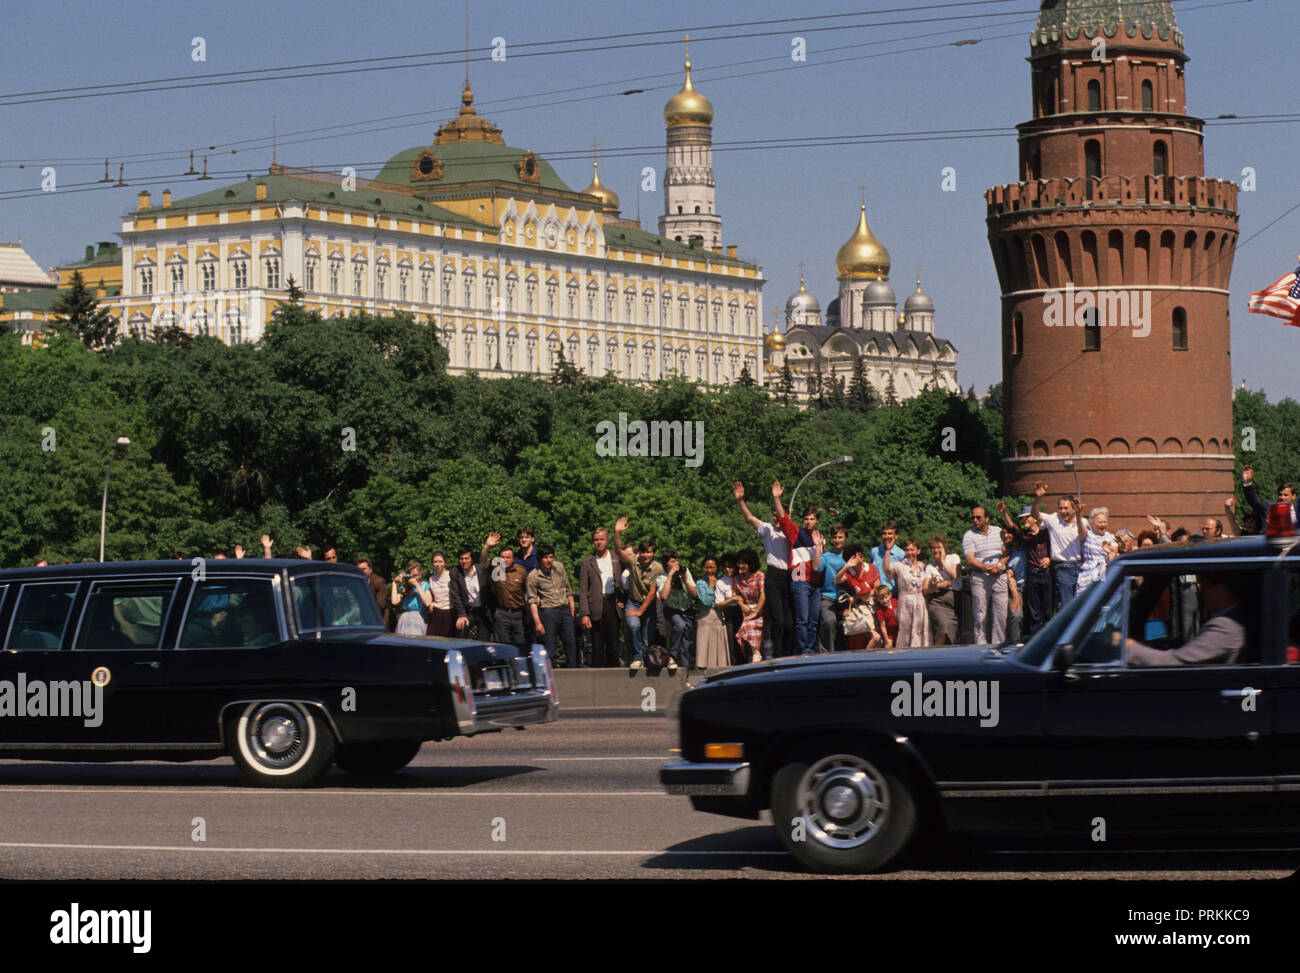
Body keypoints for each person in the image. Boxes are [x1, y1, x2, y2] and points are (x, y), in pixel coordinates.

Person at [1125, 574, 1245, 666]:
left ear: (1221, 589)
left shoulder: (1226, 626)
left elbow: (1175, 663)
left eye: (1206, 586)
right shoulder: (1231, 619)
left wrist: (1129, 647)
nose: (1201, 591)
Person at [733, 481, 794, 658]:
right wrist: (740, 501)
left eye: (779, 514)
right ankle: (777, 655)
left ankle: (789, 653)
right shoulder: (768, 530)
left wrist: (777, 499)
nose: (776, 517)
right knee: (779, 620)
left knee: (789, 622)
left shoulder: (790, 531)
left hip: (789, 576)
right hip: (774, 575)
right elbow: (750, 519)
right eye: (774, 514)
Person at [773, 481, 821, 656]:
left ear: (817, 521)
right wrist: (777, 498)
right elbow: (783, 519)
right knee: (802, 618)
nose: (808, 522)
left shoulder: (819, 538)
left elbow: (817, 566)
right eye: (806, 518)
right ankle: (803, 649)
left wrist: (817, 547)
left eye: (812, 519)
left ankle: (810, 647)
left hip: (815, 583)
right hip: (800, 580)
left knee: (813, 619)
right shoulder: (796, 532)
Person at [613, 516, 663, 670]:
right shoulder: (633, 562)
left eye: (650, 552)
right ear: (639, 553)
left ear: (653, 553)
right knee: (633, 626)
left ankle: (645, 661)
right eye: (644, 552)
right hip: (633, 602)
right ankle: (637, 658)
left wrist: (641, 611)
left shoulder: (657, 568)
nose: (646, 555)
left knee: (646, 639)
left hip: (649, 606)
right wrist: (617, 533)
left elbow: (651, 593)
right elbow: (618, 551)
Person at [963, 505, 1009, 645]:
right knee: (980, 614)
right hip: (980, 576)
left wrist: (999, 567)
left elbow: (1006, 553)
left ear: (987, 518)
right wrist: (987, 568)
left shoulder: (998, 531)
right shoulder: (969, 535)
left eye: (978, 517)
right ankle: (980, 646)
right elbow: (970, 559)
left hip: (999, 575)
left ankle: (998, 645)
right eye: (973, 518)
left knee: (1001, 613)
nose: (975, 520)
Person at [1033, 482, 1083, 611]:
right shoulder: (1053, 519)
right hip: (1063, 568)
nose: (1063, 511)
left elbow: (1086, 539)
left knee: (1081, 606)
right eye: (1060, 508)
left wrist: (1079, 515)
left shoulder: (1082, 521)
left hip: (1081, 568)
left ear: (1073, 508)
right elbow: (1035, 515)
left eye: (1066, 508)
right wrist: (1038, 498)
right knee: (1066, 607)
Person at [527, 545, 579, 668]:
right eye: (546, 557)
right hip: (549, 612)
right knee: (550, 649)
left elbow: (568, 589)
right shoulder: (533, 576)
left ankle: (575, 674)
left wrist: (572, 608)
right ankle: (553, 677)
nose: (549, 560)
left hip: (565, 609)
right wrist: (538, 622)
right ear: (540, 559)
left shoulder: (559, 567)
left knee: (571, 645)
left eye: (551, 557)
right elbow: (532, 601)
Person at [579, 526, 623, 668]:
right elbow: (583, 589)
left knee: (613, 644)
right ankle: (597, 678)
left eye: (602, 539)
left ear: (607, 540)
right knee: (597, 645)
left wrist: (623, 600)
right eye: (596, 540)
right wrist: (585, 613)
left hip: (613, 603)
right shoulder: (587, 562)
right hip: (596, 605)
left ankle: (615, 677)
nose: (599, 542)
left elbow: (627, 580)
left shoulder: (615, 558)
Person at [483, 535, 529, 651]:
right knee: (503, 647)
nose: (505, 560)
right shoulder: (496, 569)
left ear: (513, 559)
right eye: (502, 557)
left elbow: (527, 592)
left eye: (508, 557)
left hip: (519, 614)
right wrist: (487, 546)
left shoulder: (521, 571)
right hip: (502, 613)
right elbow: (483, 561)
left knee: (521, 646)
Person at [882, 537, 930, 648]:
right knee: (905, 631)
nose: (910, 553)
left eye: (912, 550)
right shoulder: (899, 565)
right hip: (905, 603)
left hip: (920, 603)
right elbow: (886, 569)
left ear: (918, 551)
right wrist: (888, 551)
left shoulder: (923, 567)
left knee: (919, 631)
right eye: (907, 550)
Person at [835, 544, 883, 652]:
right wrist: (847, 566)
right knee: (875, 638)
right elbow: (837, 580)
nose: (860, 558)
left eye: (860, 555)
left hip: (874, 606)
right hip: (861, 610)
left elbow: (878, 588)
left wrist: (867, 594)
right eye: (856, 556)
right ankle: (862, 658)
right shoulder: (849, 573)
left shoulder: (871, 568)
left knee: (879, 642)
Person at [657, 552, 695, 672]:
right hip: (671, 609)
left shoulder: (685, 572)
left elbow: (694, 594)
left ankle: (685, 677)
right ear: (666, 564)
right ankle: (671, 655)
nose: (675, 563)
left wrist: (685, 580)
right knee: (680, 625)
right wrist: (670, 576)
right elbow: (664, 596)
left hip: (687, 609)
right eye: (672, 561)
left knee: (685, 645)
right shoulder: (661, 577)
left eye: (676, 560)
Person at [694, 556, 732, 669]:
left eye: (712, 567)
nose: (709, 570)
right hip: (706, 617)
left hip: (719, 616)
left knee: (720, 652)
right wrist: (710, 586)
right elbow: (706, 601)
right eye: (706, 567)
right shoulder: (701, 583)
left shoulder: (723, 579)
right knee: (704, 652)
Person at [923, 535, 960, 646]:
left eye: (938, 547)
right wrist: (938, 585)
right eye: (933, 548)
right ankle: (937, 652)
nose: (936, 550)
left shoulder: (953, 558)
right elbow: (925, 590)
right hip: (938, 602)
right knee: (943, 625)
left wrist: (942, 561)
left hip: (954, 601)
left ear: (944, 547)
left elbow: (954, 575)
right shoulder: (930, 567)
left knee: (952, 630)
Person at [450, 546, 493, 641]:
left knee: (483, 640)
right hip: (469, 611)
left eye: (466, 558)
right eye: (461, 559)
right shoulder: (455, 572)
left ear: (472, 559)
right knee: (460, 631)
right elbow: (455, 595)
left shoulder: (481, 569)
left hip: (484, 612)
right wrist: (461, 615)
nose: (463, 561)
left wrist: (487, 547)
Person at [818, 525, 849, 652]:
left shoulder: (850, 556)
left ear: (845, 538)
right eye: (835, 537)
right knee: (829, 622)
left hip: (846, 598)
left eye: (840, 537)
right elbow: (817, 568)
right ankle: (828, 653)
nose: (837, 540)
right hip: (828, 597)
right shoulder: (825, 556)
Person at [732, 549, 766, 664]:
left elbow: (763, 596)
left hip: (759, 609)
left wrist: (755, 613)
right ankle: (751, 654)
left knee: (749, 624)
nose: (741, 566)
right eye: (739, 563)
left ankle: (756, 652)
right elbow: (736, 595)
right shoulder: (737, 578)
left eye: (743, 563)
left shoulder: (759, 576)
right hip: (745, 609)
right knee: (743, 624)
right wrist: (742, 605)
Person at [1077, 505, 1117, 594]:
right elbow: (1080, 527)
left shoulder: (1111, 537)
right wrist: (1078, 514)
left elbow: (1113, 556)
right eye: (1100, 522)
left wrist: (1109, 552)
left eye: (1105, 522)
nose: (1103, 524)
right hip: (1086, 576)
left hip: (1103, 573)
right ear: (1092, 523)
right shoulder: (1087, 535)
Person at [391, 560, 432, 636]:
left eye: (416, 575)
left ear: (420, 575)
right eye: (411, 575)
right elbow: (394, 601)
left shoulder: (424, 585)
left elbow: (427, 603)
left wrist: (416, 585)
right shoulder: (405, 587)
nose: (414, 578)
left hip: (419, 617)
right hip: (405, 618)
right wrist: (394, 583)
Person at [870, 522, 905, 598]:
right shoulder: (875, 552)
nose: (887, 536)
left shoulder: (901, 554)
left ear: (896, 536)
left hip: (893, 595)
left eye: (890, 533)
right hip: (876, 595)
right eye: (884, 533)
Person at [424, 551, 454, 637]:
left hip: (449, 612)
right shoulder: (431, 578)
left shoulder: (451, 575)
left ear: (445, 562)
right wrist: (432, 603)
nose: (437, 564)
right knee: (432, 641)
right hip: (436, 613)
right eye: (435, 561)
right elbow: (431, 596)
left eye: (440, 561)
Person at [356, 557, 391, 630]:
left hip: (380, 619)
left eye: (364, 569)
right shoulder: (357, 583)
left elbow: (380, 605)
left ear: (370, 570)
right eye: (359, 570)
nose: (361, 572)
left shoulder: (379, 582)